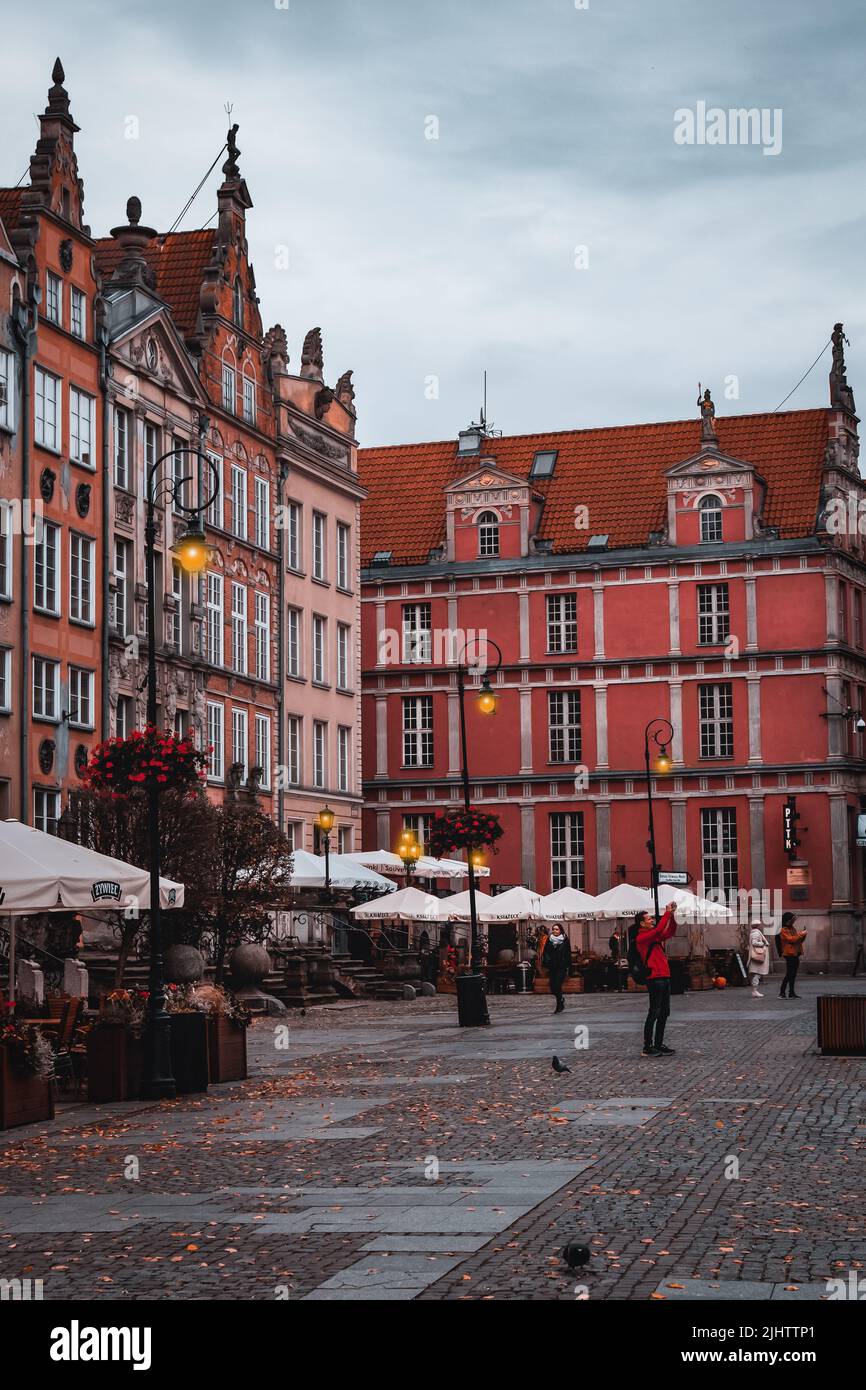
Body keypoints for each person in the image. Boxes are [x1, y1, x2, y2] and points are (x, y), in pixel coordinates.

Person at [634, 903, 678, 1057]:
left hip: (664, 976)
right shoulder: (642, 937)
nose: (652, 919)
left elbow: (670, 931)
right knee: (654, 1012)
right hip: (654, 978)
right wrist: (666, 913)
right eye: (649, 918)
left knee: (665, 1012)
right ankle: (647, 1046)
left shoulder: (654, 935)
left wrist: (671, 916)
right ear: (641, 923)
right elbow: (660, 929)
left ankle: (658, 1044)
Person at [542, 923, 572, 1014]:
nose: (555, 931)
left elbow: (568, 953)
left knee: (557, 984)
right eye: (553, 929)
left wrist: (567, 966)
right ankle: (561, 999)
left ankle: (559, 1005)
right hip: (552, 966)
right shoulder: (549, 939)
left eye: (557, 929)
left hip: (561, 966)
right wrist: (548, 961)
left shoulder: (565, 939)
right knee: (552, 986)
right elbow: (545, 952)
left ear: (560, 930)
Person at [779, 911, 807, 999]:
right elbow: (791, 939)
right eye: (791, 920)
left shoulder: (792, 928)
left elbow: (798, 940)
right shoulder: (783, 930)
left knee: (793, 974)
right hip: (789, 954)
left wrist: (803, 936)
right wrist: (801, 934)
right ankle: (782, 992)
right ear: (787, 920)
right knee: (789, 974)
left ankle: (791, 993)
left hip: (796, 953)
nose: (793, 922)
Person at [746, 923, 771, 997]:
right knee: (758, 973)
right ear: (757, 926)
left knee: (757, 973)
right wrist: (762, 943)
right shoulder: (756, 933)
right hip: (758, 956)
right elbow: (754, 943)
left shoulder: (754, 932)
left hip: (757, 956)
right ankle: (754, 991)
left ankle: (755, 990)